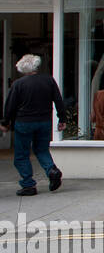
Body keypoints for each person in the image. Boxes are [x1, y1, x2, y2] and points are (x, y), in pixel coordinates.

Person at [0, 54, 70, 196]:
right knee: (42, 150)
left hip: (24, 122)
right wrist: (62, 118)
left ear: (22, 69)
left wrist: (5, 122)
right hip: (44, 121)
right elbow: (58, 100)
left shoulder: (18, 84)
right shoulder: (48, 80)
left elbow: (10, 106)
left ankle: (28, 184)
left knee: (21, 155)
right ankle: (52, 170)